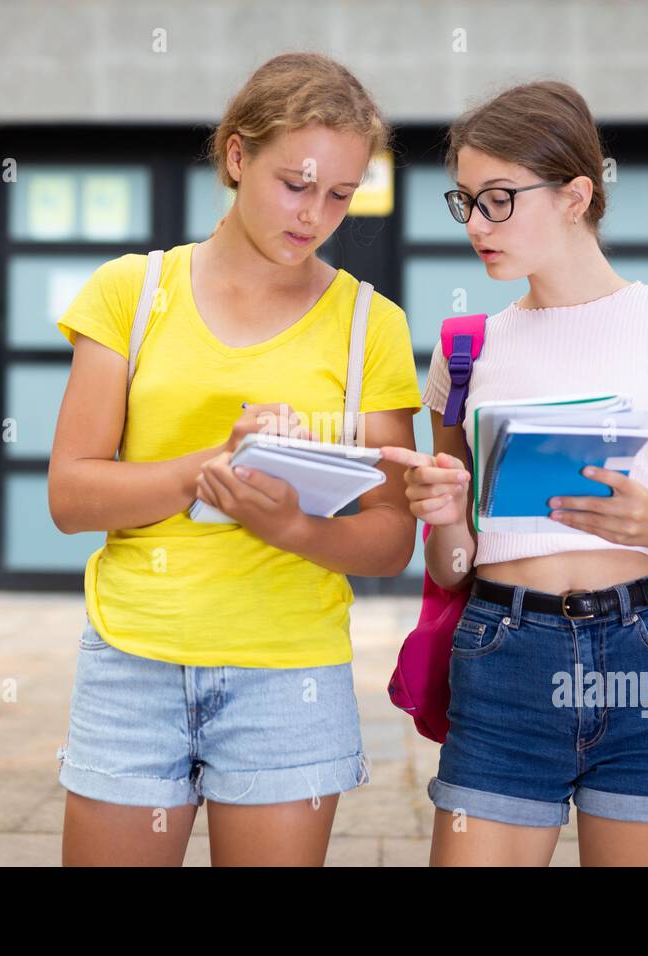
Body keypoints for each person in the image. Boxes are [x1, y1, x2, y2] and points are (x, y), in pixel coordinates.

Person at [49, 52, 423, 866]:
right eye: (296, 183)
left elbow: (394, 537)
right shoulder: (131, 294)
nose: (315, 214)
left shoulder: (373, 326)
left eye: (339, 194)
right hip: (133, 660)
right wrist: (210, 465)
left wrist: (291, 526)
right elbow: (72, 495)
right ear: (236, 157)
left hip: (289, 674)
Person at [380, 80, 648, 866]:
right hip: (502, 655)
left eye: (499, 200)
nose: (477, 225)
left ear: (577, 195)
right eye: (466, 202)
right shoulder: (466, 350)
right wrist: (444, 512)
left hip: (646, 655)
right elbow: (451, 568)